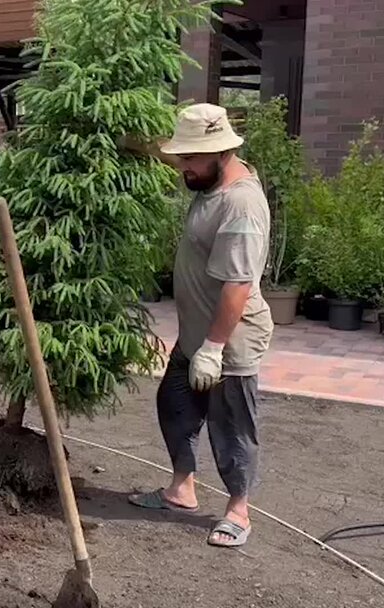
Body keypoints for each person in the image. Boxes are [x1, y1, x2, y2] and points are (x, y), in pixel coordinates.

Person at [125, 104, 273, 548]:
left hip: (229, 339)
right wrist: (131, 143)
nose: (182, 166)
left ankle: (238, 511)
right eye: (182, 157)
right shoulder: (210, 174)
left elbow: (237, 287)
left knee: (231, 426)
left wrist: (212, 348)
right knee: (174, 405)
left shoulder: (240, 207)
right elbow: (175, 156)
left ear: (222, 152)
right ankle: (181, 488)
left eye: (190, 159)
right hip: (196, 335)